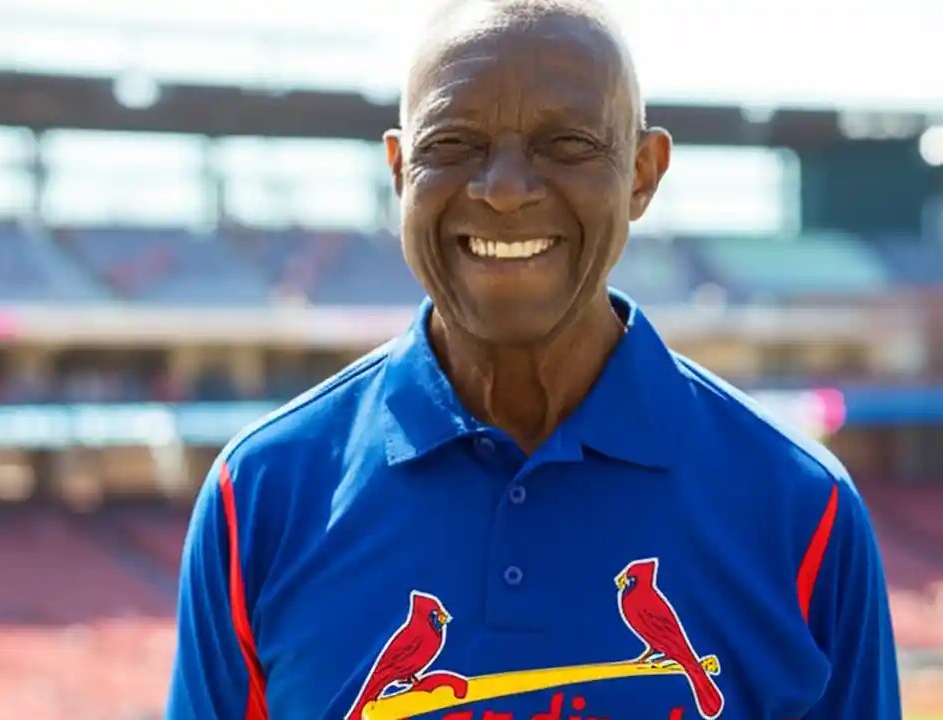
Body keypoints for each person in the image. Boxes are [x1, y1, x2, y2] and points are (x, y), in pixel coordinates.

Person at [167, 1, 901, 718]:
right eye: (453, 144)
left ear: (644, 173)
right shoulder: (259, 495)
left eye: (568, 144)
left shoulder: (803, 511)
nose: (506, 191)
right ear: (399, 172)